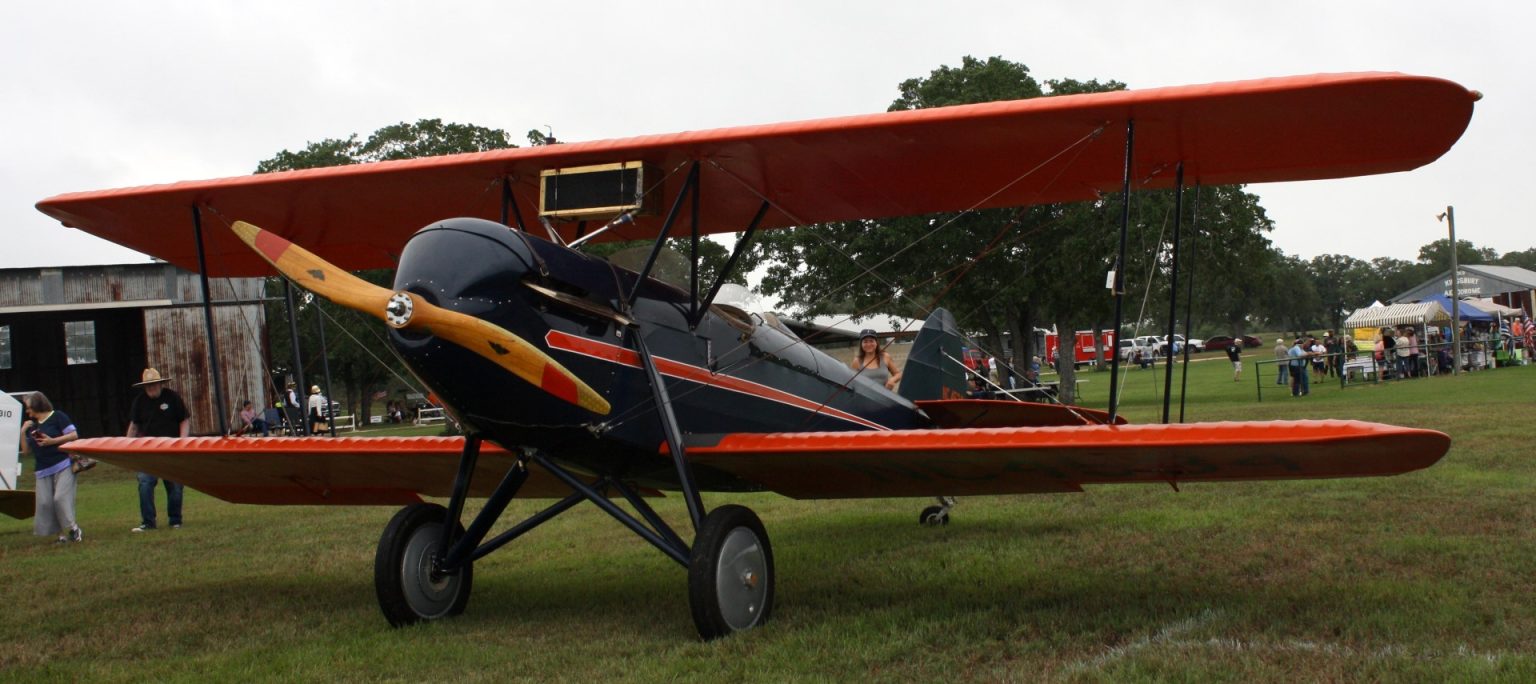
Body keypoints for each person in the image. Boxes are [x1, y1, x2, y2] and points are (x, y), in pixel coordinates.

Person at [127, 368, 190, 532]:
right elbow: (134, 426)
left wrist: (182, 442)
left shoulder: (172, 397)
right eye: (148, 386)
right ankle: (148, 522)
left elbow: (184, 420)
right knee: (145, 483)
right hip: (148, 451)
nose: (151, 388)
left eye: (154, 385)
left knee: (175, 485)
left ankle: (175, 520)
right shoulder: (139, 401)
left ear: (160, 384)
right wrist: (126, 447)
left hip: (171, 449)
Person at [19, 392, 83, 543]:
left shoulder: (58, 416)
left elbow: (73, 435)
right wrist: (23, 431)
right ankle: (60, 536)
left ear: (37, 405)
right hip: (42, 469)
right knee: (45, 503)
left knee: (60, 498)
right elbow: (26, 451)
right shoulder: (33, 426)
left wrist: (52, 441)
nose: (27, 412)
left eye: (29, 408)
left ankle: (74, 528)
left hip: (63, 464)